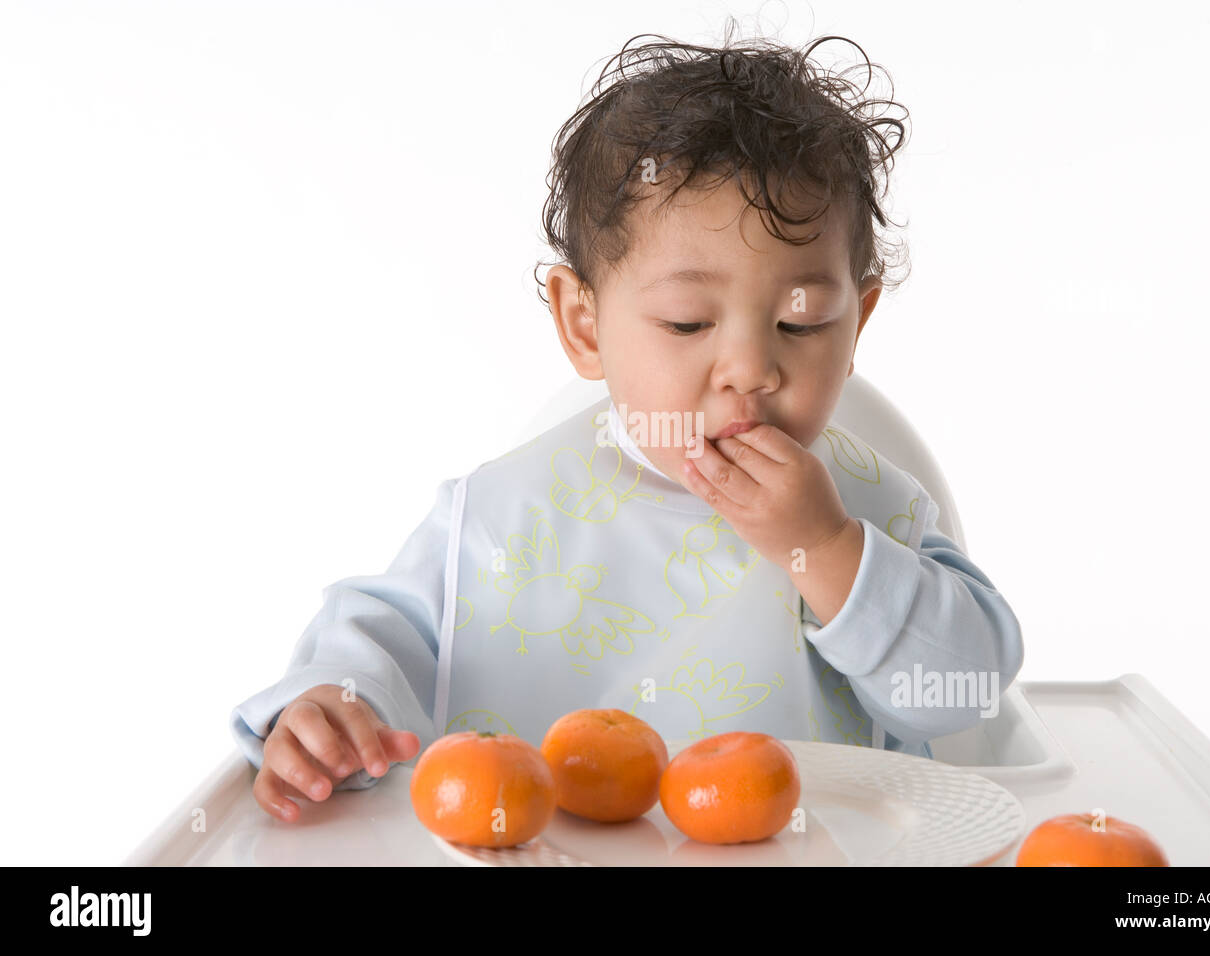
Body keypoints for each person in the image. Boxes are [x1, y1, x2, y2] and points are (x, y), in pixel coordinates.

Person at [231, 27, 1024, 823]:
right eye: (686, 323)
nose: (750, 368)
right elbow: (376, 638)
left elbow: (971, 694)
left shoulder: (871, 509)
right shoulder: (506, 515)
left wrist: (826, 550)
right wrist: (330, 708)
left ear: (860, 322)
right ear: (583, 325)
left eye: (804, 321)